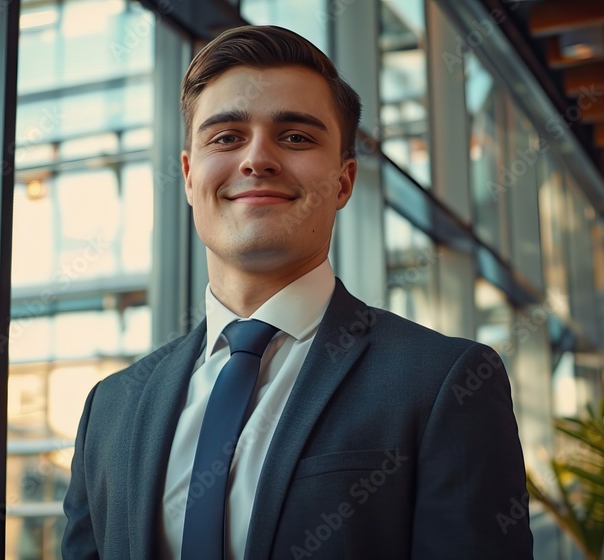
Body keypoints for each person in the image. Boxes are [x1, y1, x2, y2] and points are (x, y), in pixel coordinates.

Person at [62, 25, 533, 559]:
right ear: (190, 176)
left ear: (344, 181)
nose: (256, 159)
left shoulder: (444, 383)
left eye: (295, 137)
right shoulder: (111, 407)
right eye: (226, 137)